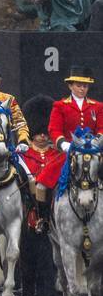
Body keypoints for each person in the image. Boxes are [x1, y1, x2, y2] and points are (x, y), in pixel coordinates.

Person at [33, 65, 103, 210]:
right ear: (70, 86)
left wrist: (98, 140)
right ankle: (44, 220)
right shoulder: (60, 106)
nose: (82, 89)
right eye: (79, 85)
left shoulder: (97, 106)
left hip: (94, 152)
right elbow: (54, 129)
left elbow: (101, 128)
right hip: (68, 152)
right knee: (42, 185)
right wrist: (63, 144)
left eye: (85, 86)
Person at [18, 96, 59, 296]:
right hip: (29, 209)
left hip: (50, 210)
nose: (42, 137)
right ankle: (27, 292)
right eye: (39, 133)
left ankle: (50, 294)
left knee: (48, 253)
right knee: (28, 252)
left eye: (45, 133)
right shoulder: (25, 155)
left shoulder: (55, 154)